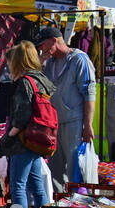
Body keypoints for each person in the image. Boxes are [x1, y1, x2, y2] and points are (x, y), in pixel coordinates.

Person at [0, 42, 55, 208]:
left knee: (18, 186)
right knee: (38, 188)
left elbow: (20, 119)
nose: (8, 66)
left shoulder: (23, 84)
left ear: (18, 61)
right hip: (39, 140)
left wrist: (7, 138)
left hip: (23, 142)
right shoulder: (41, 80)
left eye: (10, 62)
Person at [36, 25, 96, 191]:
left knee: (75, 168)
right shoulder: (50, 63)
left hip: (74, 123)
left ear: (54, 41)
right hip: (54, 124)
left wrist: (88, 124)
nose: (41, 48)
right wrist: (41, 61)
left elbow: (89, 93)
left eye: (43, 44)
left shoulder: (79, 60)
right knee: (55, 169)